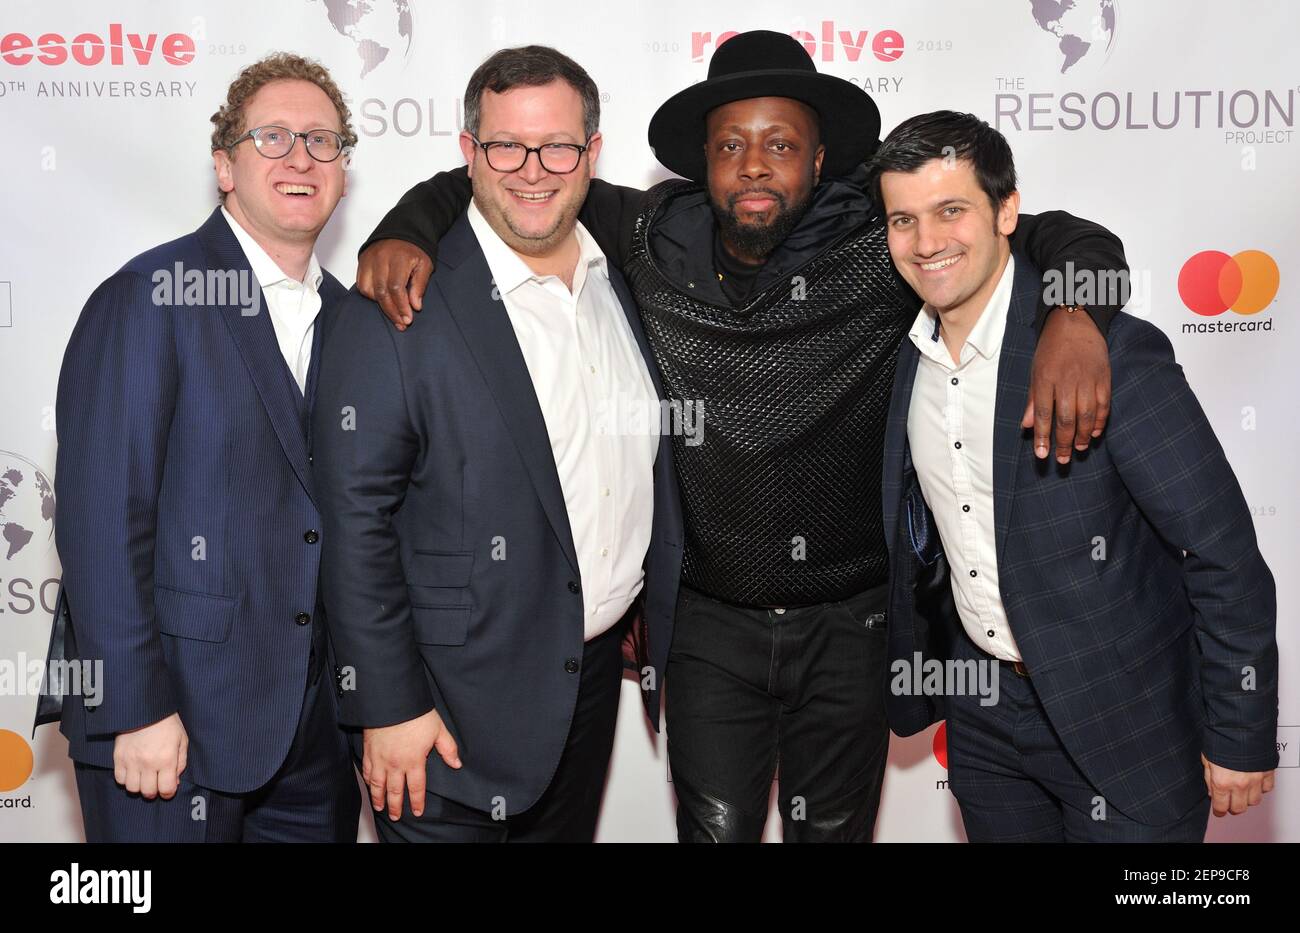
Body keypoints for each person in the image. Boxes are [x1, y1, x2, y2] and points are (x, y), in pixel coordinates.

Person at [354, 30, 1130, 842]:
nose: (755, 165)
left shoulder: (889, 239)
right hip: (705, 627)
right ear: (702, 161)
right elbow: (506, 174)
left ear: (821, 160)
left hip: (853, 622)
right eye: (731, 145)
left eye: (781, 144)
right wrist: (403, 230)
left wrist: (1075, 315)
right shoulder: (646, 230)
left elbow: (1061, 238)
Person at [312, 45, 682, 843]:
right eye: (506, 146)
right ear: (469, 154)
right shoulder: (397, 301)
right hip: (444, 716)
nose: (532, 170)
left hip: (585, 692)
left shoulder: (627, 273)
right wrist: (389, 703)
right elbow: (353, 519)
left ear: (592, 154)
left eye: (556, 147)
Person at [875, 110, 1278, 842]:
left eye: (951, 210)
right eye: (904, 219)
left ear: (1006, 211)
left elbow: (1223, 552)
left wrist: (1241, 731)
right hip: (986, 721)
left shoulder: (1107, 353)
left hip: (1128, 722)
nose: (927, 242)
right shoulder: (907, 358)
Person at [41, 53, 362, 842]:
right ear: (224, 166)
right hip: (167, 726)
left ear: (344, 171)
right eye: (273, 137)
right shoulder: (153, 295)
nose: (300, 158)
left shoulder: (355, 320)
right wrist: (136, 706)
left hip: (312, 736)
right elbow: (100, 519)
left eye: (322, 140)